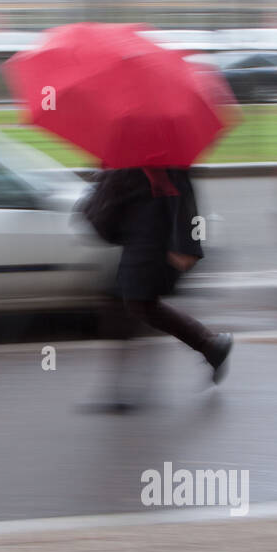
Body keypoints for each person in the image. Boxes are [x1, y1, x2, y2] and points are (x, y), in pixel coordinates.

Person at [85, 165, 232, 412]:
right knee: (126, 305)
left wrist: (188, 245)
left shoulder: (164, 159)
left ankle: (209, 345)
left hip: (153, 240)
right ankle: (210, 346)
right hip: (138, 236)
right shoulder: (131, 154)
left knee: (138, 304)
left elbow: (183, 196)